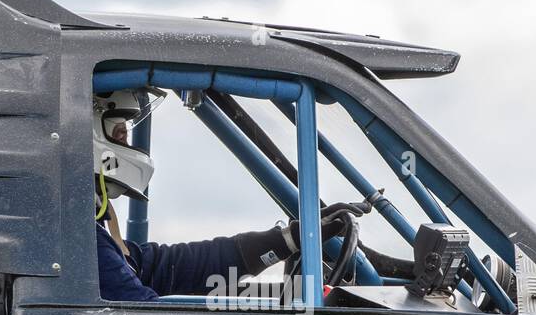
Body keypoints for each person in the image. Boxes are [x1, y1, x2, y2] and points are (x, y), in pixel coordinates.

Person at [92, 88, 357, 301]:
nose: (128, 146)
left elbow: (166, 268)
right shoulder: (85, 244)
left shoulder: (88, 238)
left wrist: (283, 241)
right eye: (120, 134)